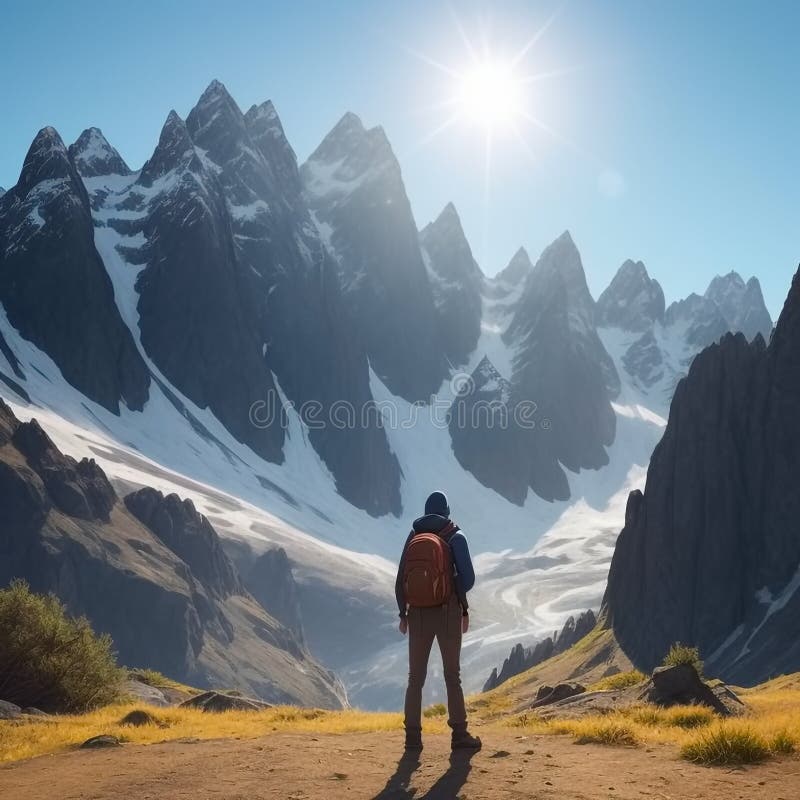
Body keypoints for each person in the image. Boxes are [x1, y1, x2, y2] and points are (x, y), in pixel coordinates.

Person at [395, 490, 482, 752]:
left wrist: (403, 614)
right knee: (452, 675)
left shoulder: (414, 535)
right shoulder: (455, 535)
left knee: (415, 678)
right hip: (447, 612)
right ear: (446, 511)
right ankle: (459, 735)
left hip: (418, 613)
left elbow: (401, 578)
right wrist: (459, 603)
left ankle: (412, 739)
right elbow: (468, 579)